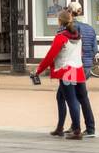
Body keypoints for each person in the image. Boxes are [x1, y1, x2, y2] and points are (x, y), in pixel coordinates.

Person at [33, 8, 85, 139]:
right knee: (61, 97)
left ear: (59, 21)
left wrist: (38, 70)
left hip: (66, 71)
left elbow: (50, 56)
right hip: (77, 70)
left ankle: (77, 130)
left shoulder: (61, 37)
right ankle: (60, 127)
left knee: (71, 100)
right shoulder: (77, 36)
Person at [67, 0, 98, 138]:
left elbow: (67, 47)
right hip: (86, 66)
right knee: (80, 96)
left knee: (72, 96)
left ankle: (77, 127)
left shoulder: (71, 27)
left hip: (74, 66)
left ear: (70, 12)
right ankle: (87, 127)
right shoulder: (90, 29)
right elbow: (95, 49)